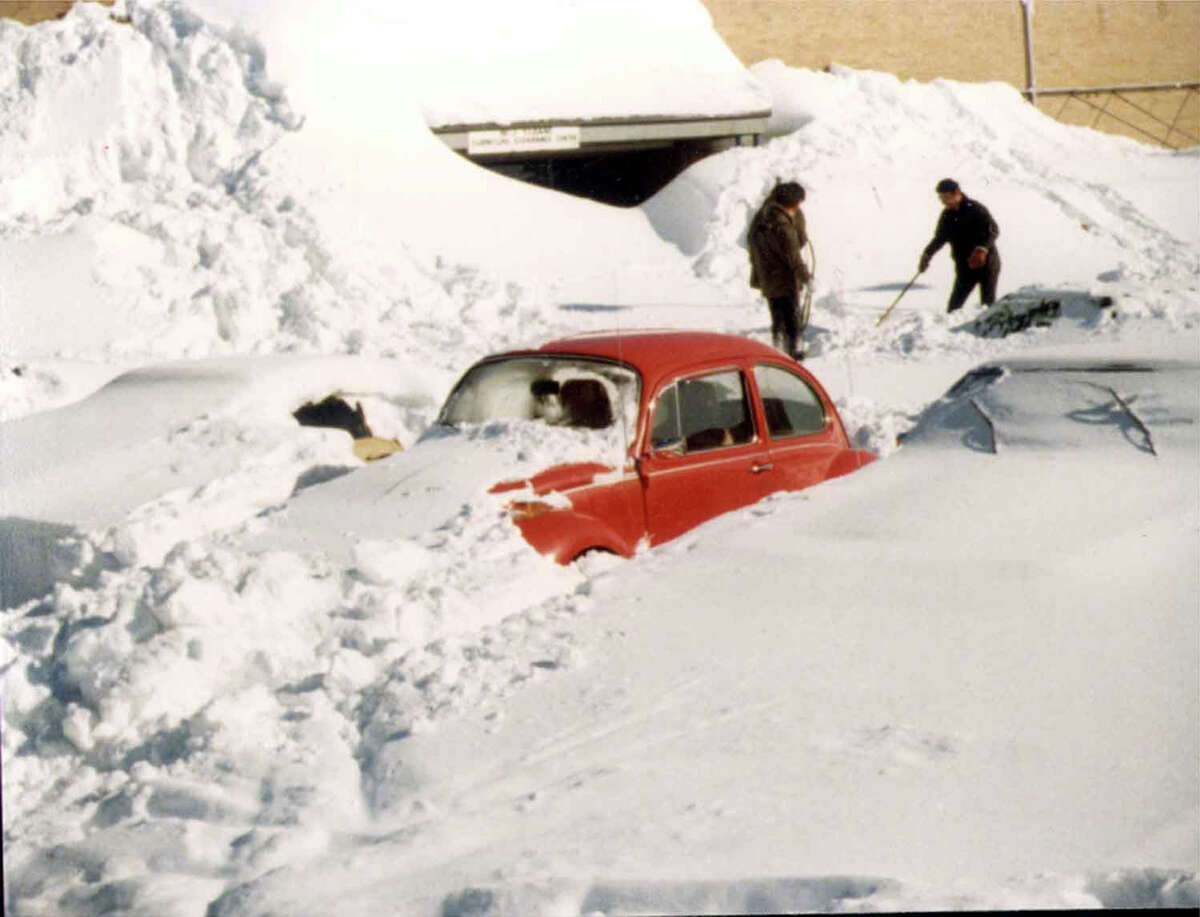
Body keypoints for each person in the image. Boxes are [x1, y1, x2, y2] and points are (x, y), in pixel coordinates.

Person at [748, 181, 811, 358]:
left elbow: (752, 245)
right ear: (792, 203)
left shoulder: (762, 217)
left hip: (767, 277)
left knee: (777, 317)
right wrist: (807, 278)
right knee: (791, 318)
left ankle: (778, 350)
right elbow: (793, 256)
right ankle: (793, 353)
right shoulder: (783, 225)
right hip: (785, 279)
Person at [919, 178, 1001, 313]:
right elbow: (940, 238)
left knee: (987, 306)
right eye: (941, 198)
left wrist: (981, 249)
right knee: (953, 308)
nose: (943, 201)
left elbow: (993, 230)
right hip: (964, 267)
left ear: (957, 193)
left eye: (946, 197)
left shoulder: (975, 209)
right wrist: (927, 254)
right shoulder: (947, 215)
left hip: (986, 264)